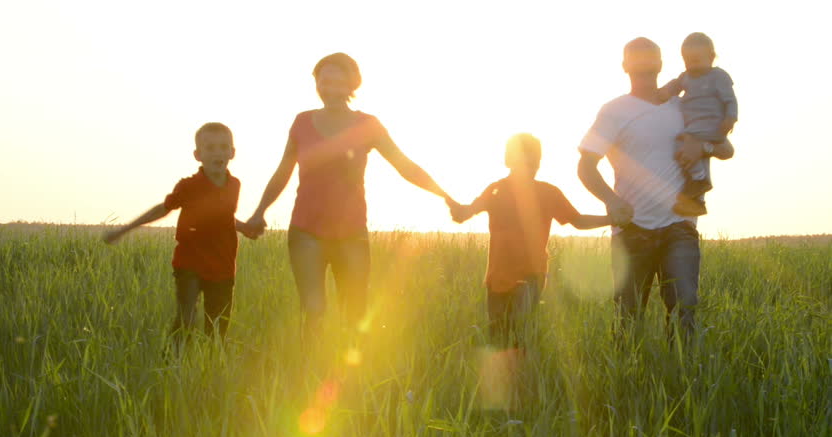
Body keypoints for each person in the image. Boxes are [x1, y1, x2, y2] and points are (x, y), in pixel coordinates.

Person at [245, 53, 453, 333]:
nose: (329, 86)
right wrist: (259, 212)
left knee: (354, 313)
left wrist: (445, 196)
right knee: (314, 309)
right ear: (316, 84)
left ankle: (350, 373)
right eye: (323, 79)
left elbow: (404, 165)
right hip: (306, 229)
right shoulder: (301, 122)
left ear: (352, 83)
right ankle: (309, 368)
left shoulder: (368, 125)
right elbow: (283, 171)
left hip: (351, 231)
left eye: (337, 79)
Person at [577, 38, 734, 343]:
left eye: (651, 63)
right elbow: (585, 166)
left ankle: (681, 380)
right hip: (633, 228)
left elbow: (726, 147)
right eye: (638, 64)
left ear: (661, 65)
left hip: (680, 226)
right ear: (625, 67)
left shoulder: (683, 106)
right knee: (627, 318)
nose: (646, 69)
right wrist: (612, 200)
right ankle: (626, 384)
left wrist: (700, 145)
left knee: (684, 313)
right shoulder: (613, 111)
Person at [448, 133, 626, 347]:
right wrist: (457, 209)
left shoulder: (545, 192)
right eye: (527, 158)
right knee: (501, 336)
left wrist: (611, 219)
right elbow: (465, 214)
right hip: (497, 277)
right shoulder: (496, 189)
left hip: (530, 276)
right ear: (509, 160)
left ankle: (522, 376)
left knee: (517, 336)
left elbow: (577, 221)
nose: (532, 163)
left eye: (534, 158)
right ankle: (513, 376)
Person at [103, 122, 254, 343]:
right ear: (197, 155)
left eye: (223, 147)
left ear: (232, 152)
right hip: (189, 264)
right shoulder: (188, 186)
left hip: (223, 266)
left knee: (218, 328)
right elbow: (162, 209)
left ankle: (209, 371)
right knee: (186, 320)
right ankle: (173, 363)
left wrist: (245, 228)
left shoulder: (235, 185)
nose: (218, 153)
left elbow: (222, 218)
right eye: (210, 148)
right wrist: (125, 230)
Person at [659, 32, 738, 216]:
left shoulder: (718, 76)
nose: (691, 65)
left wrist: (731, 118)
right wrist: (662, 92)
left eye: (695, 60)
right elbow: (674, 86)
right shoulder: (686, 76)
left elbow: (730, 100)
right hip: (695, 126)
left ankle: (699, 179)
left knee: (684, 144)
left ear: (710, 57)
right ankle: (696, 189)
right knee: (691, 153)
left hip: (710, 123)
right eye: (686, 60)